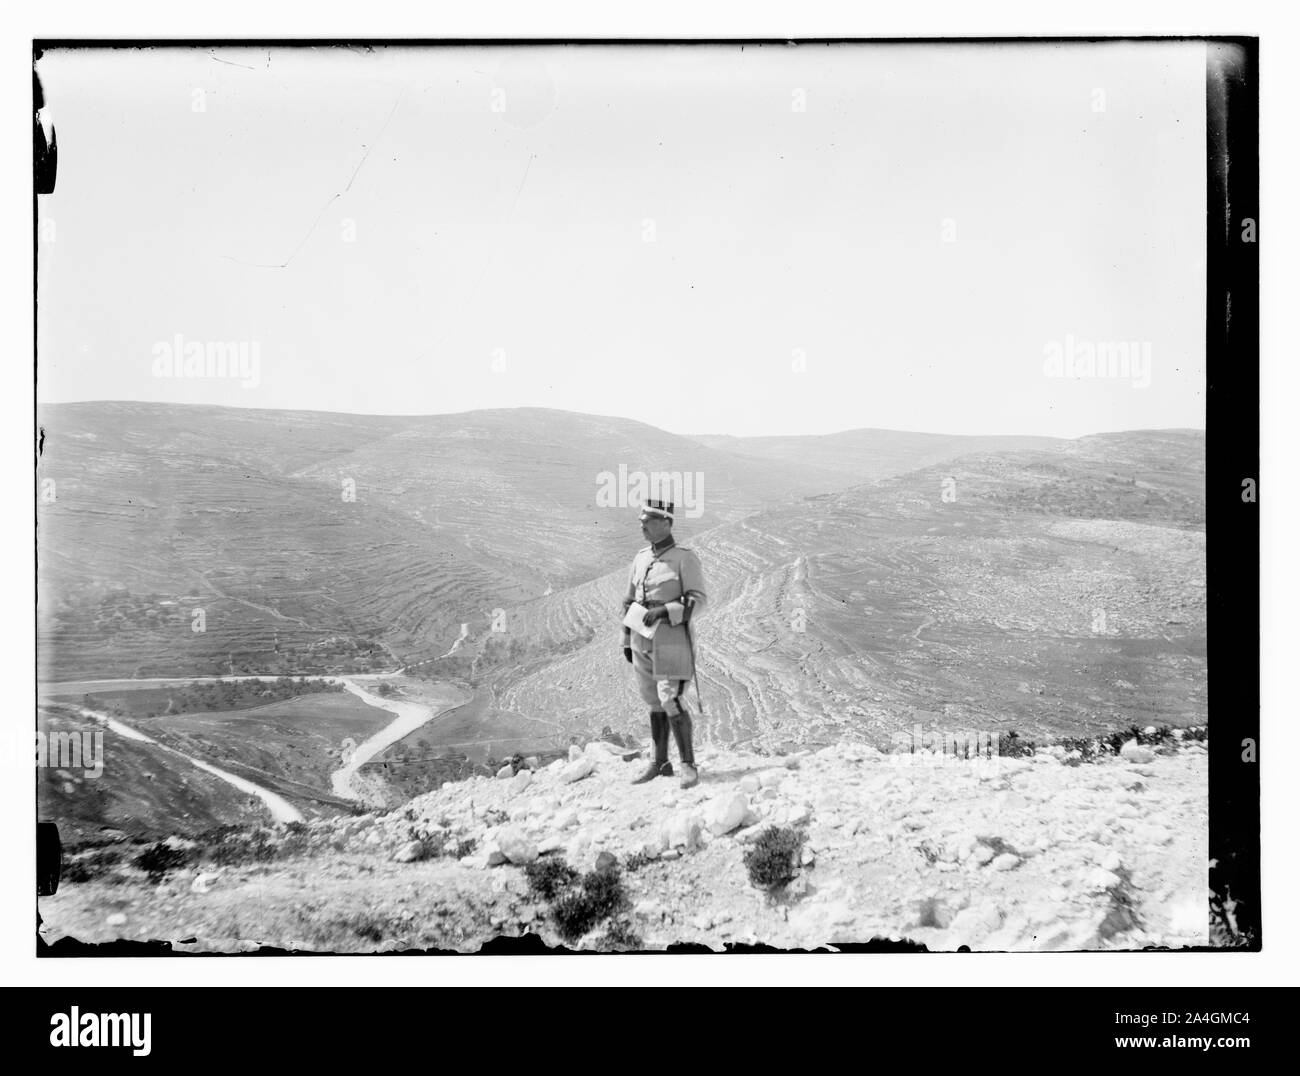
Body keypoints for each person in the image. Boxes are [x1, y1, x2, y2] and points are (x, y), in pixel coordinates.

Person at [621, 499, 707, 787]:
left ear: (667, 523)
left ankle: (688, 765)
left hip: (672, 639)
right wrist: (625, 638)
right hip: (640, 637)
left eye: (649, 520)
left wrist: (666, 610)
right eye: (641, 520)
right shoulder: (641, 557)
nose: (642, 524)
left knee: (671, 698)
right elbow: (629, 599)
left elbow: (698, 599)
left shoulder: (685, 558)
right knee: (654, 701)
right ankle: (660, 763)